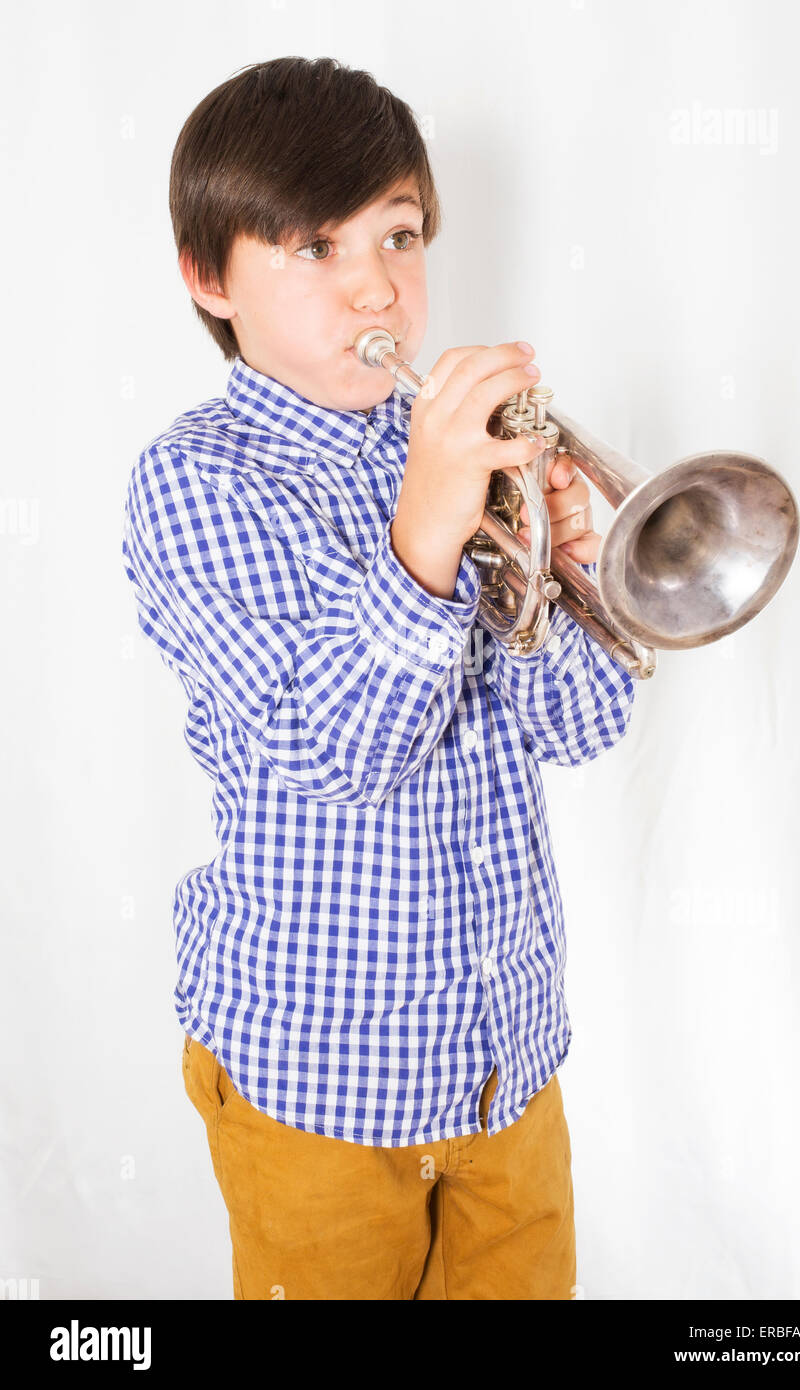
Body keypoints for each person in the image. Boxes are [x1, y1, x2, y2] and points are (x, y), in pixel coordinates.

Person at [121, 55, 636, 1301]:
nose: (377, 286)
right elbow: (333, 749)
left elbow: (584, 723)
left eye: (398, 236)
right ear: (208, 277)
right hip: (317, 1084)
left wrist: (555, 563)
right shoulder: (197, 481)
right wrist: (426, 533)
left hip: (505, 1062)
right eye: (312, 246)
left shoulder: (452, 459)